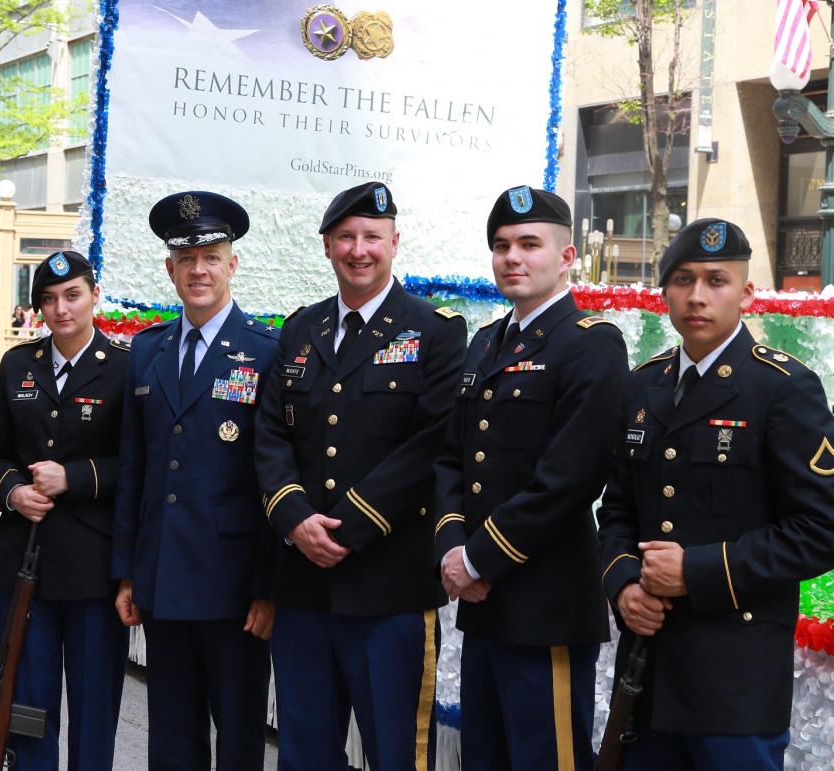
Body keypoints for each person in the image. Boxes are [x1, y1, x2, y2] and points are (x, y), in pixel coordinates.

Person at [597, 219, 834, 771]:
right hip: (648, 671)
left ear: (746, 292)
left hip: (735, 683)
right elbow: (617, 509)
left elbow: (822, 529)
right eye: (682, 280)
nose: (697, 296)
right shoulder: (643, 384)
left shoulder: (782, 388)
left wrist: (697, 572)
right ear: (665, 293)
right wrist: (622, 581)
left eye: (716, 280)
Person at [255, 181, 467, 771]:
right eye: (345, 237)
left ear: (395, 243)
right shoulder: (300, 330)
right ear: (326, 246)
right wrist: (296, 520)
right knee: (304, 755)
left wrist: (342, 529)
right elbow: (271, 433)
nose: (359, 250)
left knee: (395, 754)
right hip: (303, 589)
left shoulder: (435, 331)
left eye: (372, 237)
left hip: (389, 590)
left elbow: (432, 444)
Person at [434, 185, 628, 770]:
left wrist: (474, 559)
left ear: (566, 257)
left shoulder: (592, 345)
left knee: (547, 761)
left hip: (545, 605)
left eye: (528, 244)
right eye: (500, 246)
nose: (512, 258)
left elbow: (569, 480)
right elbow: (451, 460)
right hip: (483, 602)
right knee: (484, 760)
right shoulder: (486, 343)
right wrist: (449, 546)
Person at [112, 191, 279, 770]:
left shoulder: (265, 352)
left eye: (211, 256)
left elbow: (274, 479)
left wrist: (267, 586)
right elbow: (134, 469)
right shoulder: (148, 350)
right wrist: (128, 571)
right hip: (162, 579)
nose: (199, 269)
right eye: (187, 259)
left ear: (232, 264)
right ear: (170, 269)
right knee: (173, 737)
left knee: (237, 737)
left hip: (234, 585)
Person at [0, 251, 130, 770]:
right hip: (22, 558)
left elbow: (140, 465)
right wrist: (12, 491)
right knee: (26, 705)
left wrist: (76, 477)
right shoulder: (18, 364)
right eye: (48, 299)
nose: (61, 309)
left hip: (93, 567)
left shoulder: (125, 368)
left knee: (93, 707)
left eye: (72, 295)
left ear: (95, 296)